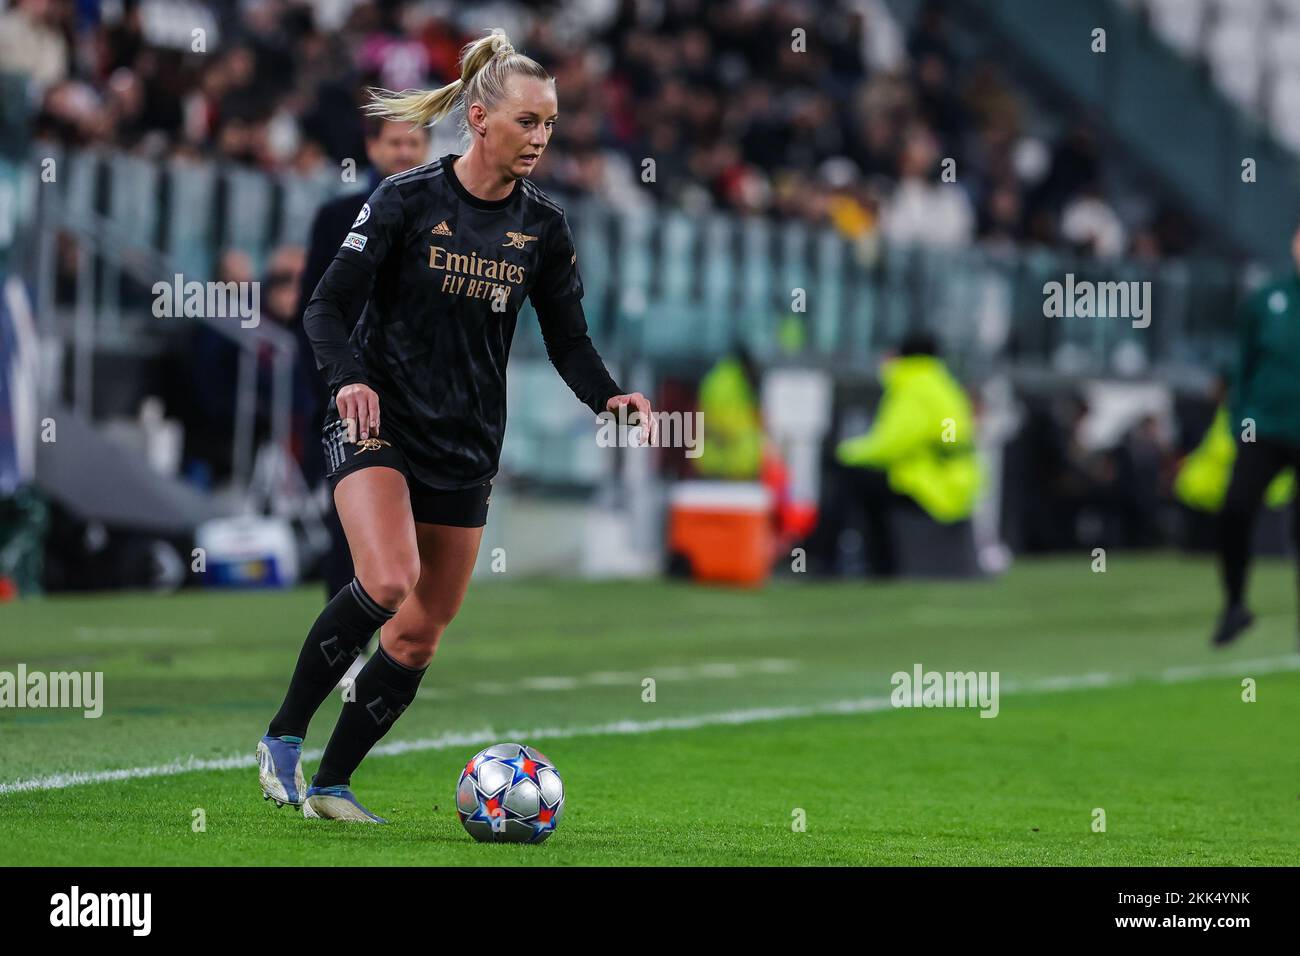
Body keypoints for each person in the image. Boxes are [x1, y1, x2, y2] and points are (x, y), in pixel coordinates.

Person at [256, 30, 653, 822]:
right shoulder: (406, 199)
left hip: (467, 440)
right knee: (388, 579)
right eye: (526, 121)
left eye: (549, 123)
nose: (540, 138)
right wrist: (351, 380)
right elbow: (327, 308)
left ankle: (331, 786)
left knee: (418, 636)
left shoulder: (545, 227)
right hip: (379, 418)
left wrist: (609, 397)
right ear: (478, 119)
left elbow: (567, 340)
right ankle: (284, 735)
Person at [295, 117, 430, 600]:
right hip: (350, 396)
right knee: (349, 530)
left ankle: (397, 655)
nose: (404, 152)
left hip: (421, 402)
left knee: (415, 536)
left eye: (414, 142)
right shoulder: (337, 219)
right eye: (395, 142)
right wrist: (327, 391)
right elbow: (311, 314)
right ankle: (347, 650)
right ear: (371, 146)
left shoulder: (446, 224)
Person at [809, 332, 978, 576]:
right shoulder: (944, 384)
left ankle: (823, 559)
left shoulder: (913, 385)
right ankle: (880, 561)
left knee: (847, 477)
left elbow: (892, 444)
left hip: (931, 485)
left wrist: (846, 452)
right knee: (869, 489)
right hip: (956, 483)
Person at [1212, 223, 1300, 647]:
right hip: (1263, 428)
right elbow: (1241, 366)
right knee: (1235, 509)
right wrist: (1238, 420)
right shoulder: (1267, 301)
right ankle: (1234, 605)